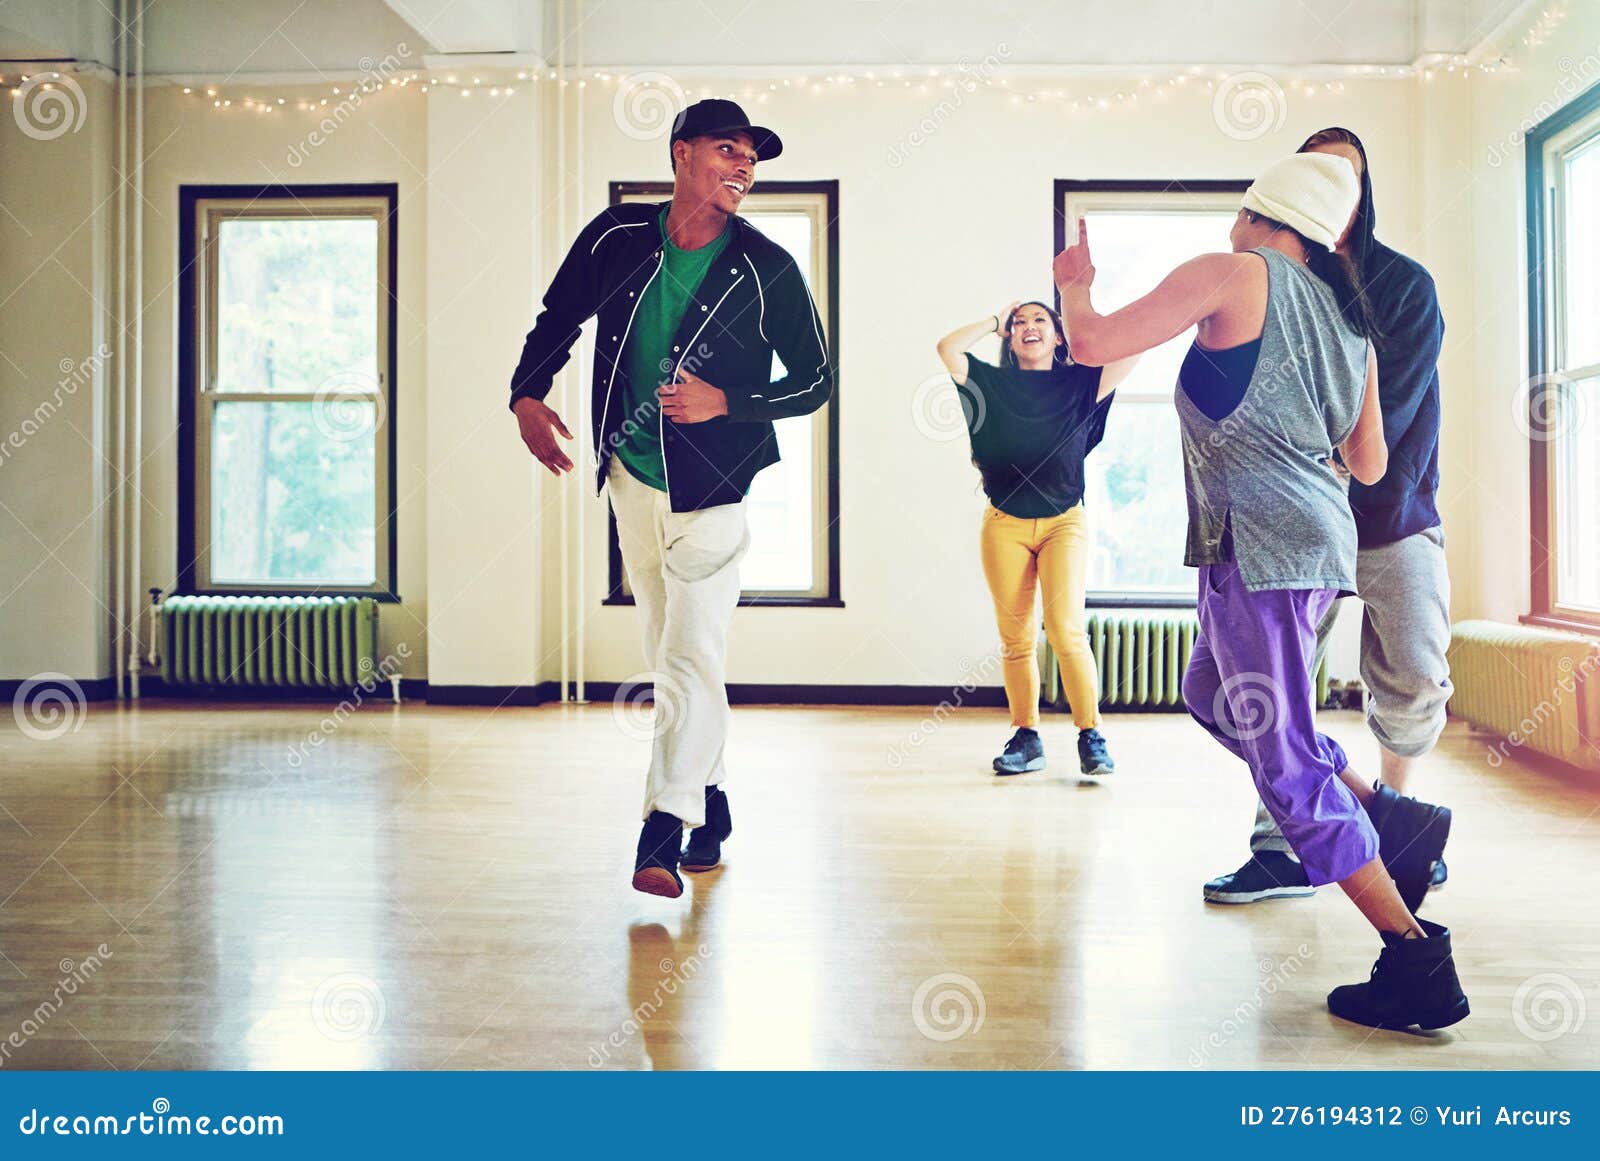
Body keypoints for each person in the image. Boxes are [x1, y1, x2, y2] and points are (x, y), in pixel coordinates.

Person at [1055, 153, 1467, 1030]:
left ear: (1258, 214)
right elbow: (1369, 463)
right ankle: (1389, 814)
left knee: (1284, 763)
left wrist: (1075, 288)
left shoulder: (1232, 273)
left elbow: (1090, 345)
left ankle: (1414, 959)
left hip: (1265, 554)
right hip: (1302, 547)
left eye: (1242, 211)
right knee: (1210, 692)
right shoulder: (1349, 324)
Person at [508, 99, 834, 898]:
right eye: (728, 149)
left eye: (752, 157)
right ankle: (713, 803)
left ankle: (664, 824)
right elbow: (559, 315)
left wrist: (730, 402)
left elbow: (818, 379)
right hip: (630, 473)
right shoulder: (617, 237)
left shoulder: (766, 266)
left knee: (688, 655)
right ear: (682, 153)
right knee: (674, 655)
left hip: (716, 486)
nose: (743, 166)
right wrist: (526, 393)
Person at [1204, 126, 1455, 905]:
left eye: (1345, 176)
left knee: (1415, 674)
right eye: (1314, 172)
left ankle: (1396, 820)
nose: (1330, 187)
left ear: (1364, 192)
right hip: (1294, 528)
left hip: (1393, 516)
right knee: (1266, 692)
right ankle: (1282, 845)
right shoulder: (1272, 281)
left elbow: (1377, 421)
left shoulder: (1403, 287)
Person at [934, 302, 1136, 778]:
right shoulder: (989, 382)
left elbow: (1132, 349)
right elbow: (947, 348)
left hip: (1064, 523)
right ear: (1010, 335)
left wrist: (1084, 322)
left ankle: (1091, 735)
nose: (1029, 327)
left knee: (1066, 631)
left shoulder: (1081, 383)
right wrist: (993, 321)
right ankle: (1026, 738)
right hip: (1004, 525)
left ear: (1058, 337)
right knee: (1016, 640)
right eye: (1020, 322)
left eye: (1040, 320)